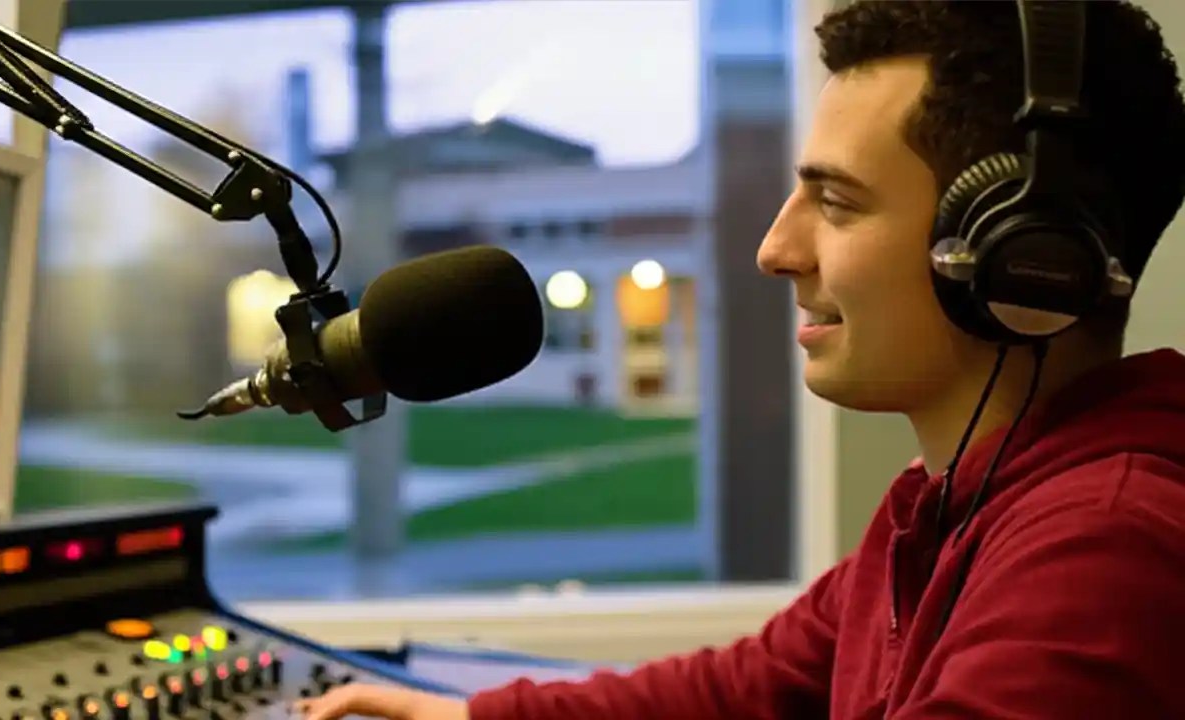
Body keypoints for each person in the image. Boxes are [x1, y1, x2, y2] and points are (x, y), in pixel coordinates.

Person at [298, 1, 1185, 718]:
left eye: (836, 204)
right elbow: (745, 688)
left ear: (1021, 255)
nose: (774, 251)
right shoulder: (944, 508)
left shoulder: (1102, 556)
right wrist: (475, 717)